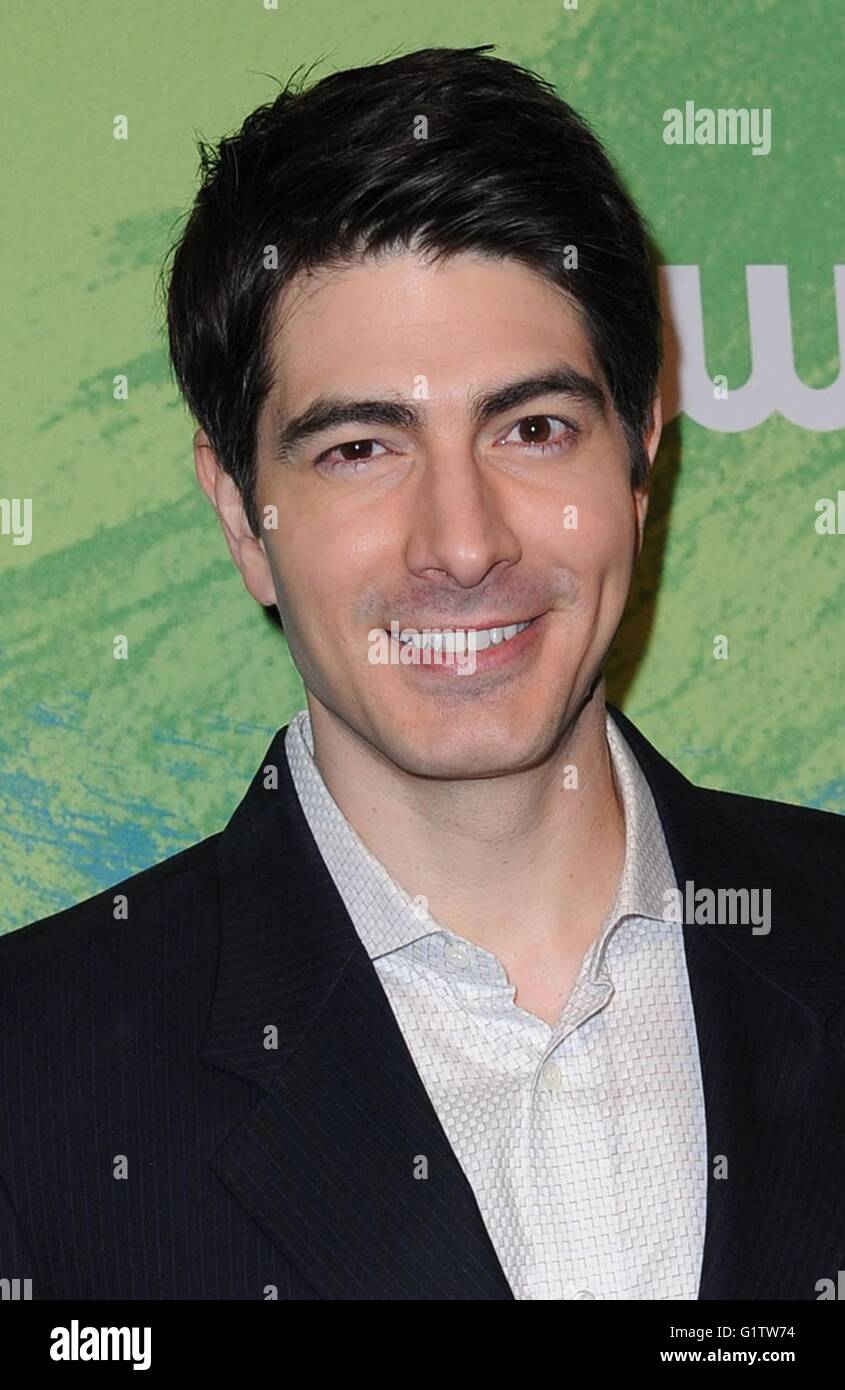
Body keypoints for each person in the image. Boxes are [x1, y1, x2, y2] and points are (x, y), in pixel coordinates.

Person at [2, 45, 844, 1303]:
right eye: (357, 447)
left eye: (533, 429)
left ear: (639, 462)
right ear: (242, 516)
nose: (463, 541)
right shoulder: (32, 1085)